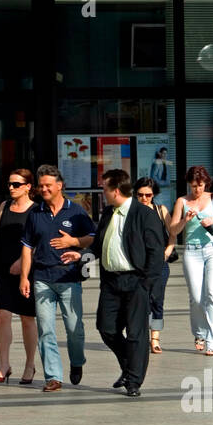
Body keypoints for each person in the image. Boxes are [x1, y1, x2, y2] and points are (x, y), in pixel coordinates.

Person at [64, 169, 167, 398]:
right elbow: (98, 244)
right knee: (106, 327)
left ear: (116, 191)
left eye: (104, 189)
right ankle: (129, 364)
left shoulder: (144, 214)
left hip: (136, 281)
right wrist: (81, 255)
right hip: (111, 281)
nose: (103, 193)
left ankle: (134, 381)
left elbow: (156, 252)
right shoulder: (108, 213)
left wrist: (146, 284)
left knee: (135, 333)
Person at [19, 165, 95, 391]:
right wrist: (24, 277)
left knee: (74, 328)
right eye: (41, 185)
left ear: (59, 186)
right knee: (46, 330)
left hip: (69, 277)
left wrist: (73, 242)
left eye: (48, 185)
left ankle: (77, 361)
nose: (43, 189)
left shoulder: (76, 211)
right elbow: (26, 248)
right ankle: (53, 376)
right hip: (42, 277)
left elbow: (91, 239)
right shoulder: (35, 213)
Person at [0, 168, 38, 384]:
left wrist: (22, 264)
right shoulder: (5, 206)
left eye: (16, 184)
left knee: (27, 318)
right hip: (3, 266)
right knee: (3, 316)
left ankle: (30, 364)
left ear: (28, 187)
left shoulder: (36, 211)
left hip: (25, 269)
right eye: (10, 184)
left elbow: (37, 241)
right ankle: (4, 364)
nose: (11, 188)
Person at [167, 167, 213, 357]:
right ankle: (200, 333)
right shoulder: (182, 201)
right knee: (196, 298)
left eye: (200, 186)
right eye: (194, 186)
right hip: (192, 251)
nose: (197, 190)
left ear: (206, 184)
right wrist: (185, 220)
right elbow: (173, 230)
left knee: (212, 294)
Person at [134, 177, 173, 353]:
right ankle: (139, 336)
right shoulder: (131, 212)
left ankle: (155, 338)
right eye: (140, 195)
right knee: (139, 300)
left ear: (154, 194)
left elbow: (173, 232)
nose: (144, 198)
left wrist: (168, 250)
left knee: (157, 299)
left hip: (159, 264)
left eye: (148, 195)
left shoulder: (160, 210)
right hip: (137, 264)